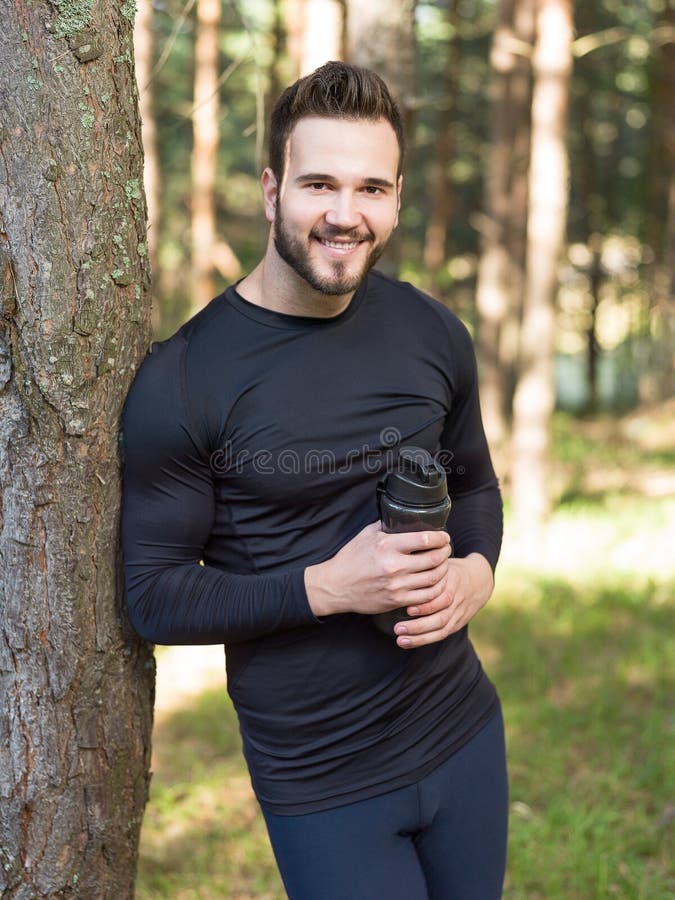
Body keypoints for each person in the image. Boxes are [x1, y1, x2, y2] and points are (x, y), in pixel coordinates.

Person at [121, 61, 508, 899]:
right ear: (271, 191)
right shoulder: (185, 378)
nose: (344, 214)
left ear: (398, 198)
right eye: (318, 184)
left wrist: (476, 573)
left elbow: (474, 485)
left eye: (371, 188)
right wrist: (327, 588)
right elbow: (151, 597)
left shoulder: (431, 331)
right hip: (324, 779)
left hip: (463, 732)